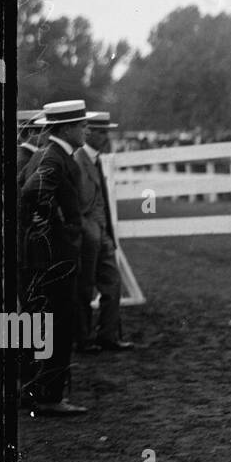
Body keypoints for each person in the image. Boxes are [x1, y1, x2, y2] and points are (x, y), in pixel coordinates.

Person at [18, 100, 93, 415]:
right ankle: (50, 398)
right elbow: (33, 193)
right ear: (67, 128)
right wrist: (56, 230)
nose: (86, 130)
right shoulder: (56, 158)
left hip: (39, 258)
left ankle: (35, 390)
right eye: (82, 125)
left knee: (39, 324)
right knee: (58, 325)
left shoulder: (44, 155)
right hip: (55, 259)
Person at [74, 112, 134, 354]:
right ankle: (84, 338)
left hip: (103, 235)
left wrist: (106, 233)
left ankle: (107, 336)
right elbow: (79, 204)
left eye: (106, 131)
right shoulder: (78, 161)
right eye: (100, 131)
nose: (105, 136)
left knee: (112, 283)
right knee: (84, 288)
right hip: (88, 236)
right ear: (87, 132)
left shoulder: (96, 160)